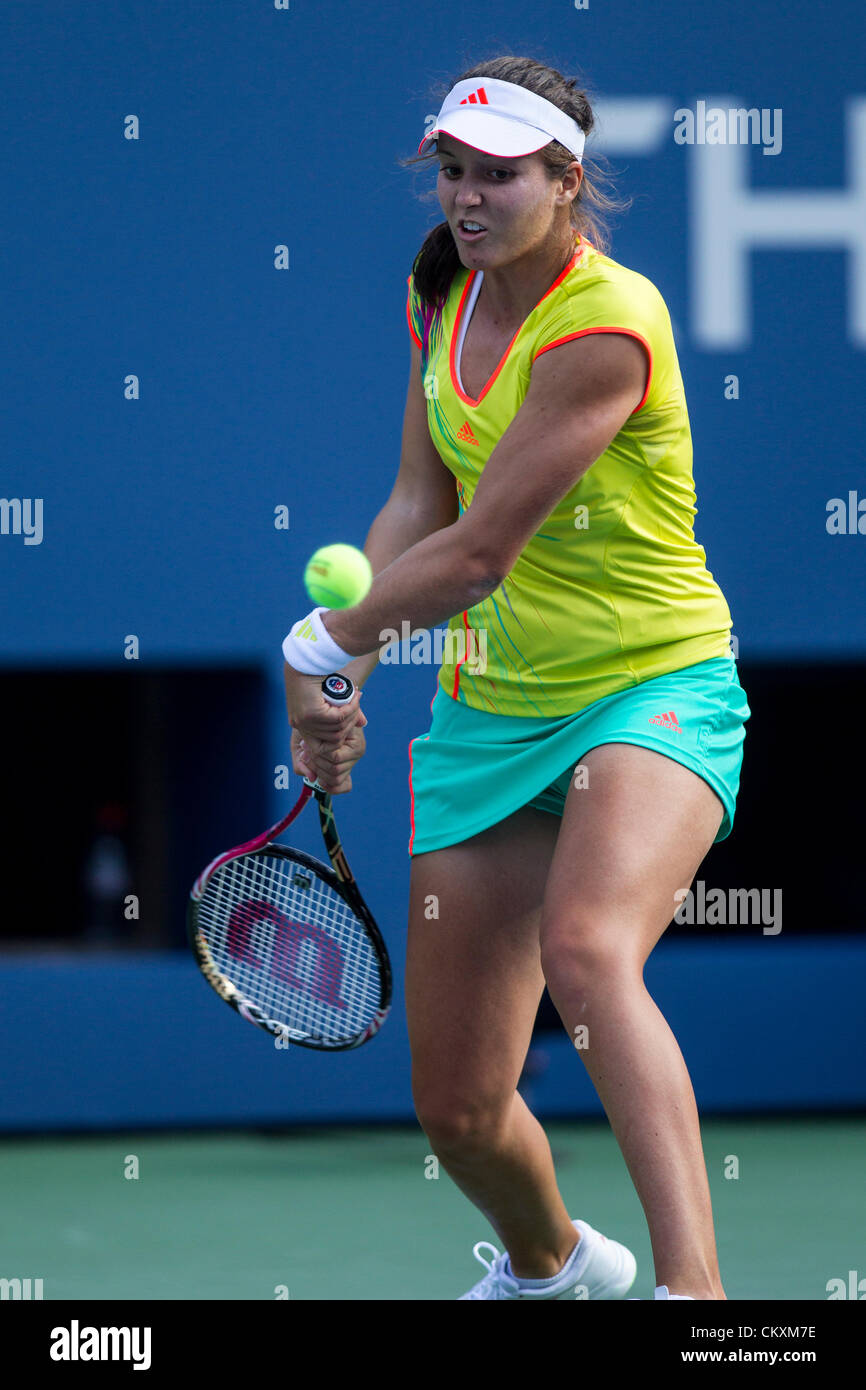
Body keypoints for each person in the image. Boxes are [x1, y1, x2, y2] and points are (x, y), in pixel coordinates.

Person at [281, 53, 750, 1301]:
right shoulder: (440, 292)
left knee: (589, 949)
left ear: (565, 179)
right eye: (451, 170)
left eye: (499, 174)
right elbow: (416, 503)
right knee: (461, 1111)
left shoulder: (606, 322)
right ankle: (555, 1269)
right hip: (492, 712)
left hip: (650, 686)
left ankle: (693, 1297)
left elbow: (481, 552)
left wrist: (320, 645)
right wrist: (354, 662)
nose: (468, 197)